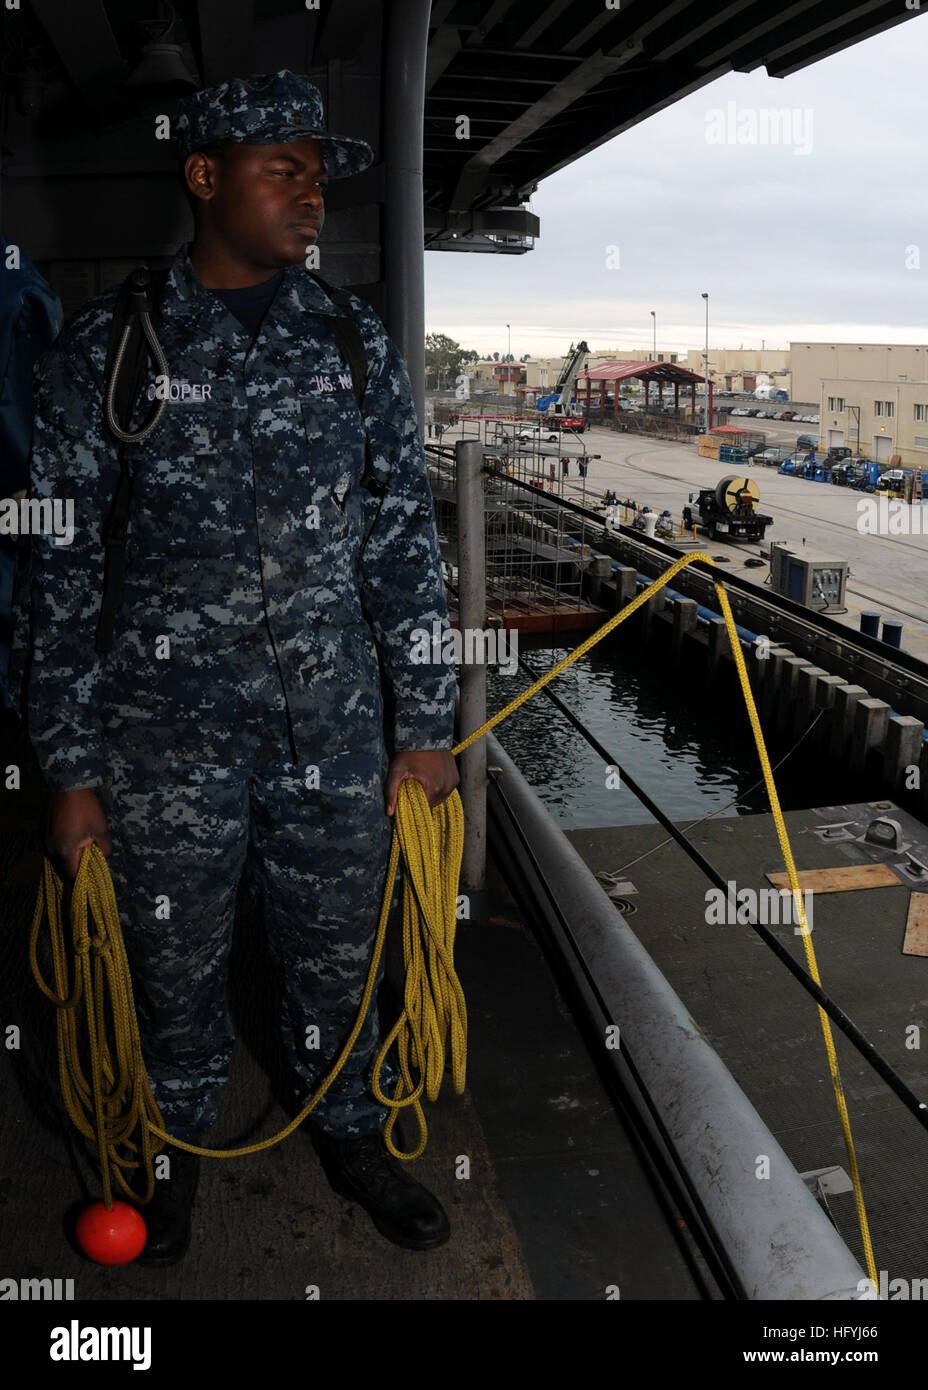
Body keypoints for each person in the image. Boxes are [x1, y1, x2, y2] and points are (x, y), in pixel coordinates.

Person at [16, 71, 459, 1264]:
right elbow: (54, 573)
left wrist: (425, 724)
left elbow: (403, 539)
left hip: (333, 727)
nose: (312, 196)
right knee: (170, 962)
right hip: (162, 741)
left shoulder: (351, 340)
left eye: (318, 175)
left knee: (339, 944)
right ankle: (167, 1151)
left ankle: (353, 1127)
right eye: (285, 171)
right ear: (204, 177)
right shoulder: (112, 351)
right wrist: (67, 772)